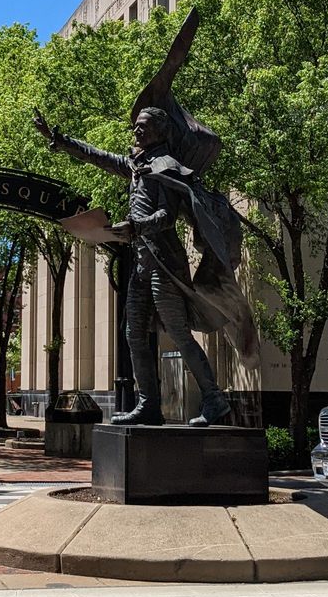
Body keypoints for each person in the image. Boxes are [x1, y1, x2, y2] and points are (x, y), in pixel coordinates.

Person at [33, 104, 233, 427]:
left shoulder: (166, 166)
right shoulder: (137, 166)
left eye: (143, 126)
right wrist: (59, 139)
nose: (136, 130)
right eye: (136, 125)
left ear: (160, 132)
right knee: (133, 334)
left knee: (179, 333)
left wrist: (136, 227)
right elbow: (97, 156)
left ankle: (214, 398)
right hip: (142, 263)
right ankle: (149, 404)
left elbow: (167, 217)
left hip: (164, 263)